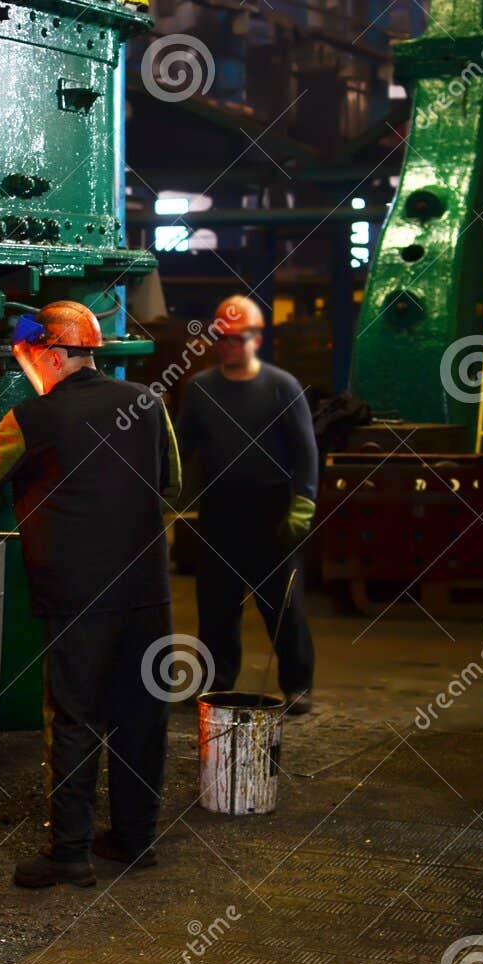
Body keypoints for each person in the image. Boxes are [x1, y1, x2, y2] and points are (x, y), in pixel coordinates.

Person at [0, 301, 182, 888]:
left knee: (73, 717)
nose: (33, 370)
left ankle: (69, 854)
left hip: (77, 594)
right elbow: (172, 482)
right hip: (146, 591)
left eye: (34, 358)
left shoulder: (33, 418)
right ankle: (135, 841)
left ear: (56, 354)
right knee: (141, 713)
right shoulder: (149, 404)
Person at [176, 296, 317, 714]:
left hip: (271, 511)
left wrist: (304, 502)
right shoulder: (200, 389)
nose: (228, 346)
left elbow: (305, 450)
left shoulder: (282, 386)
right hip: (220, 511)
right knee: (217, 606)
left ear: (257, 337)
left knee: (284, 607)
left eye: (237, 339)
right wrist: (165, 497)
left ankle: (298, 685)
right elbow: (182, 449)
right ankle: (217, 683)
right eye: (222, 338)